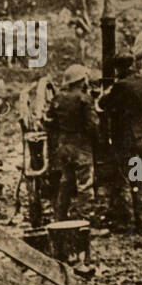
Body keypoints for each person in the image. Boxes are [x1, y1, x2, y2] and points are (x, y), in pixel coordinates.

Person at [101, 54, 142, 233]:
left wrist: (107, 91)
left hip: (134, 140)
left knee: (129, 179)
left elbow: (105, 104)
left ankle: (130, 223)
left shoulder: (120, 86)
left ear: (117, 69)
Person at [48, 64, 99, 221]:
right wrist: (97, 140)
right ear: (82, 80)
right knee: (85, 183)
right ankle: (84, 218)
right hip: (80, 144)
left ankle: (60, 215)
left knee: (66, 180)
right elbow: (93, 125)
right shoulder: (84, 99)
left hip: (63, 144)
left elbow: (50, 122)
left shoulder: (58, 98)